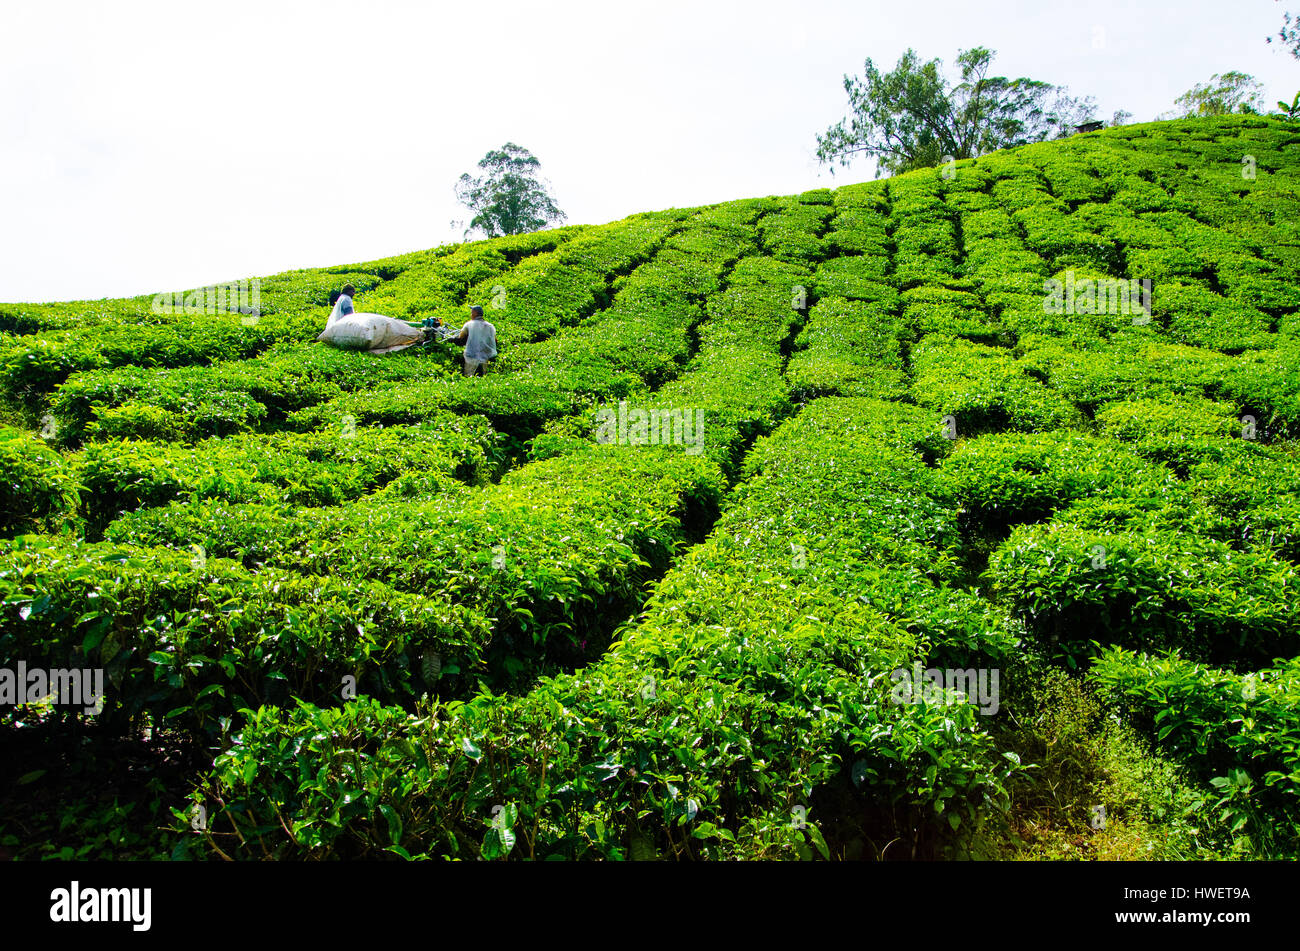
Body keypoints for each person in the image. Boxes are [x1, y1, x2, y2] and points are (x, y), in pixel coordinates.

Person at [454, 305, 497, 376]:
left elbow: (461, 338)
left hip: (471, 356)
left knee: (470, 377)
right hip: (486, 357)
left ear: (475, 313)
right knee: (483, 378)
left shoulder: (469, 324)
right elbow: (495, 340)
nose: (471, 315)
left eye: (471, 313)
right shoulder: (490, 326)